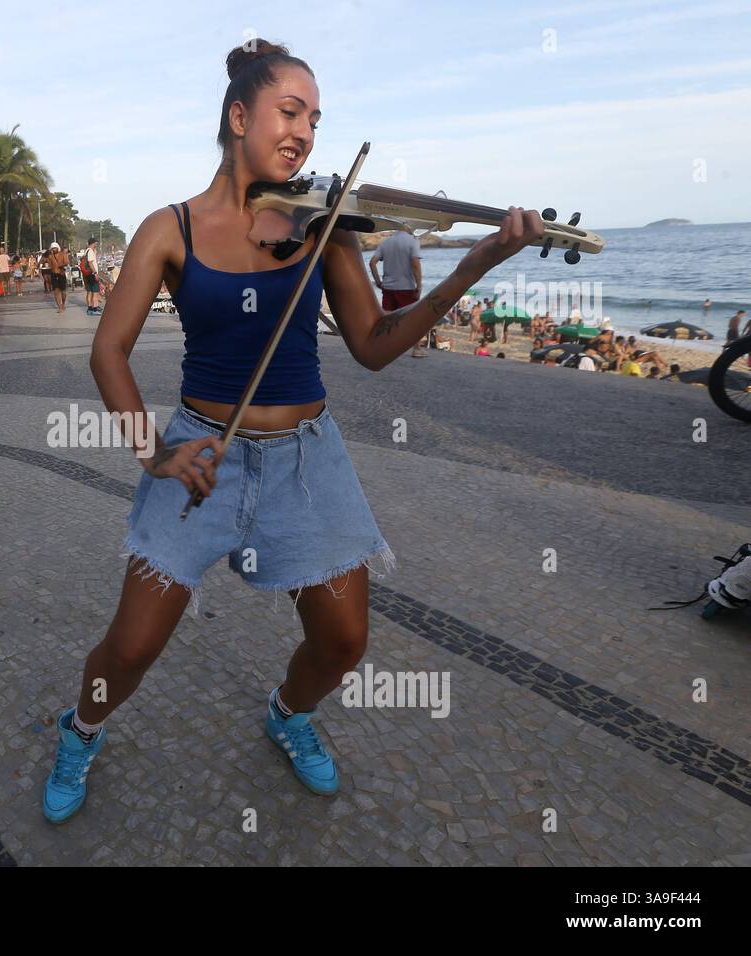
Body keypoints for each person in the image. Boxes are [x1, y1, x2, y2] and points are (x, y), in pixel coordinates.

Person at [41, 40, 545, 823]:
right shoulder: (167, 229)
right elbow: (109, 349)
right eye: (290, 112)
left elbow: (376, 346)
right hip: (203, 454)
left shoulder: (325, 226)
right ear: (239, 116)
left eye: (314, 119)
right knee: (132, 647)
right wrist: (153, 451)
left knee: (344, 643)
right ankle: (82, 728)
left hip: (308, 462)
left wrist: (474, 265)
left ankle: (288, 713)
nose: (305, 132)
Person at [82, 237, 102, 315]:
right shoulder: (90, 251)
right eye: (96, 243)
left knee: (89, 292)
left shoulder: (87, 251)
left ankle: (89, 309)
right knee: (95, 292)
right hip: (92, 274)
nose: (97, 244)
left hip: (87, 274)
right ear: (93, 243)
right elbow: (90, 263)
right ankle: (95, 309)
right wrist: (95, 273)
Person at [47, 241, 68, 313]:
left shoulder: (63, 254)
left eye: (55, 248)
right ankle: (59, 307)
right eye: (52, 249)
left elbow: (66, 262)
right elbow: (50, 266)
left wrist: (61, 265)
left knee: (63, 292)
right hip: (53, 274)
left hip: (61, 274)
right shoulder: (50, 257)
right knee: (56, 292)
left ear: (58, 248)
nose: (53, 250)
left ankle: (63, 304)